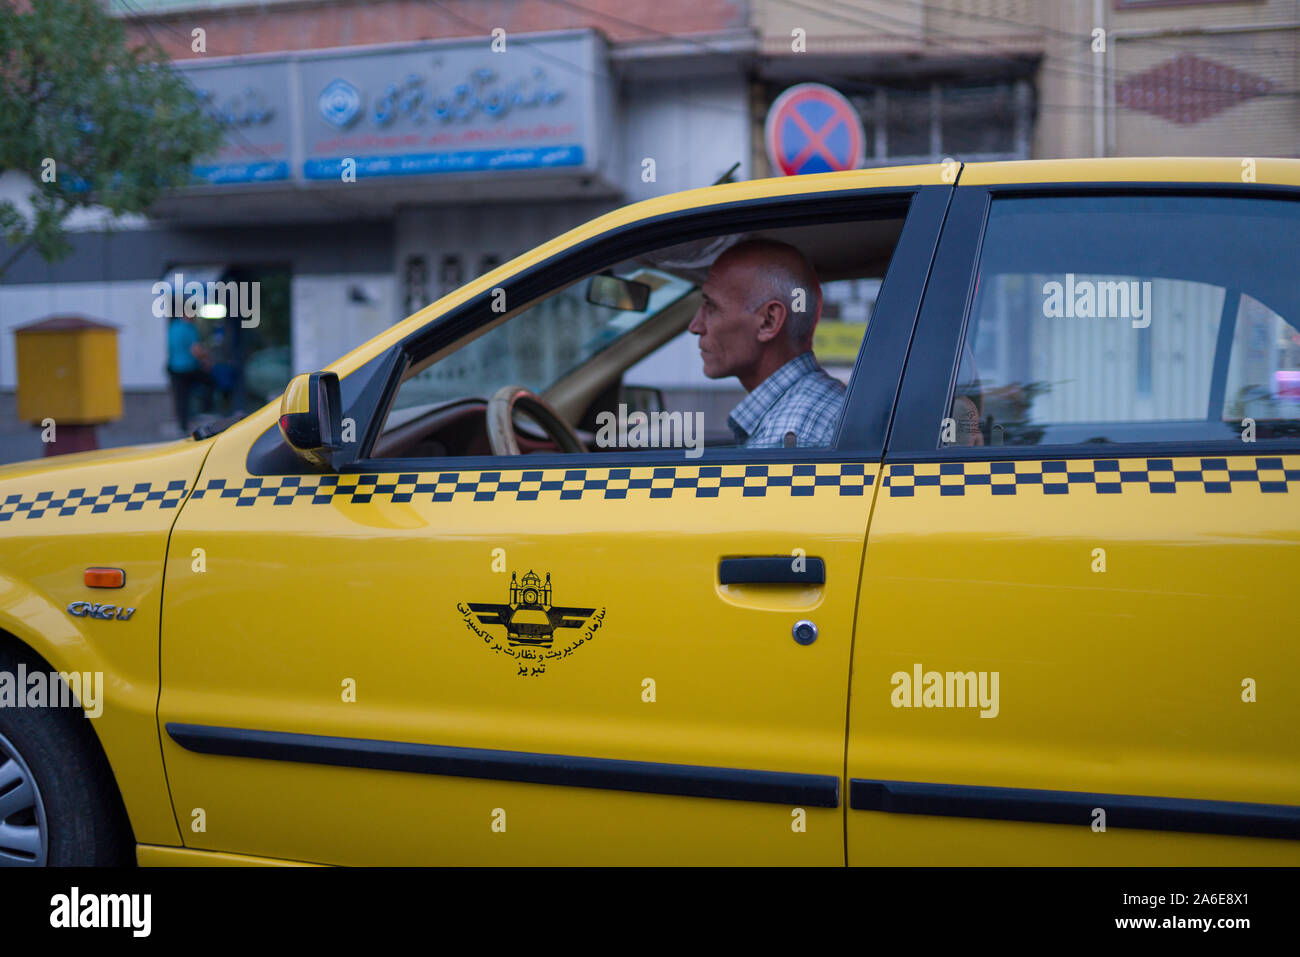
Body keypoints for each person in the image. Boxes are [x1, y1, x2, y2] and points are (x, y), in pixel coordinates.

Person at [688, 238, 844, 448]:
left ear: (768, 321)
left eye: (711, 306)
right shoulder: (810, 408)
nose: (695, 326)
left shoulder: (789, 434)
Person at [167, 309, 209, 434]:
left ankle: (183, 425)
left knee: (181, 397)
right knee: (210, 382)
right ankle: (204, 411)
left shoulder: (173, 326)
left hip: (174, 367)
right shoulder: (190, 328)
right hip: (188, 367)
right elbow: (196, 350)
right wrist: (206, 358)